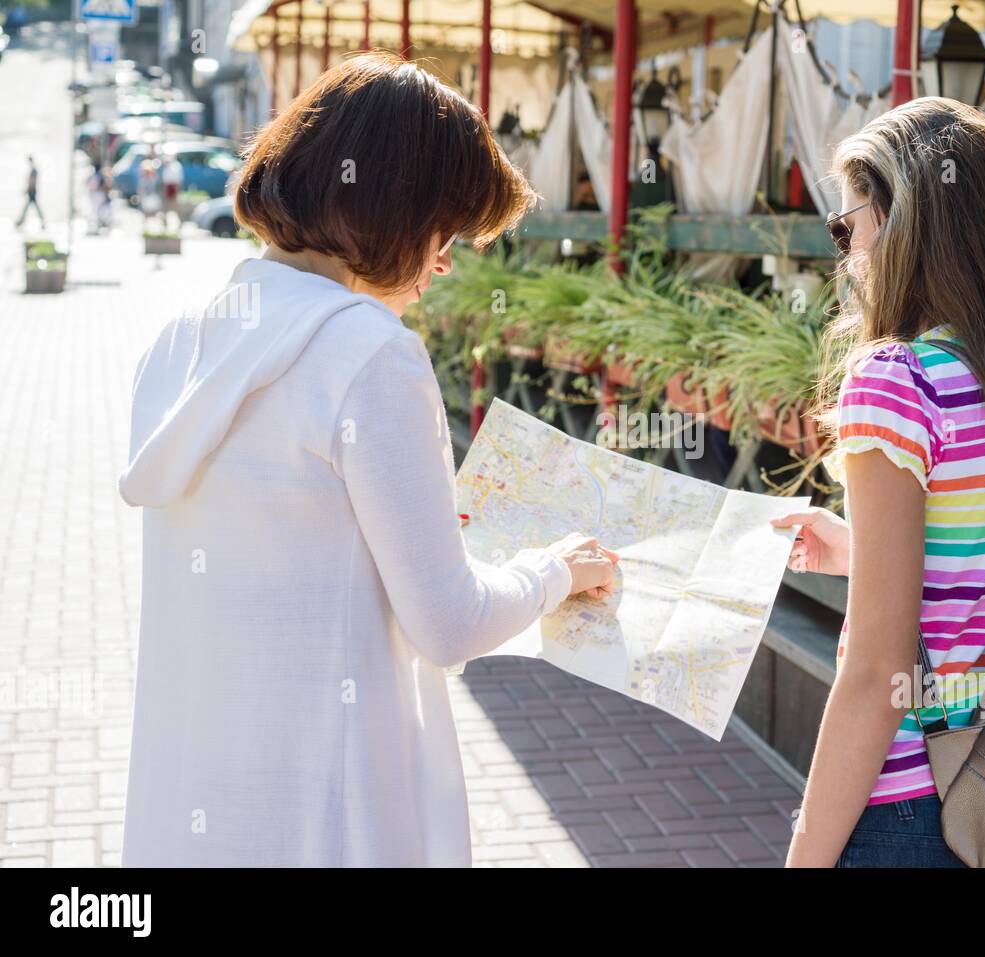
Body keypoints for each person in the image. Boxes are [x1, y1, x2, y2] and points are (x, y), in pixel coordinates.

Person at [117, 51, 619, 867]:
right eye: (443, 230)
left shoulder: (182, 338)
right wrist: (554, 569)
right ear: (389, 208)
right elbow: (449, 623)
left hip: (198, 808)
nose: (444, 261)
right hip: (331, 808)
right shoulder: (367, 352)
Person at [774, 97, 985, 868]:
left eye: (845, 225)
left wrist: (804, 854)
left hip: (914, 804)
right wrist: (862, 552)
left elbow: (876, 671)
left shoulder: (898, 380)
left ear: (898, 226)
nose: (846, 254)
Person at [16, 155, 44, 229]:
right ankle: (21, 221)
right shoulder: (33, 170)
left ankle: (21, 221)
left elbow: (32, 182)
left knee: (30, 208)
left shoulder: (33, 170)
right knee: (32, 208)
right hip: (32, 191)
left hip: (32, 192)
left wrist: (27, 190)